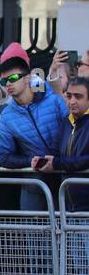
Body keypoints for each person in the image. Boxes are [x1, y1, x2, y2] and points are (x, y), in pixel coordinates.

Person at [0, 42, 68, 211]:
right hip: (34, 185)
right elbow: (3, 155)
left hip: (65, 180)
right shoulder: (6, 116)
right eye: (4, 81)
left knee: (67, 233)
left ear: (27, 78)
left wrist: (56, 159)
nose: (8, 84)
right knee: (33, 235)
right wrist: (30, 161)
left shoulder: (53, 99)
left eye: (13, 78)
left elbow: (71, 131)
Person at [44, 76, 89, 211]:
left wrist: (57, 163)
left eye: (78, 96)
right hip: (69, 204)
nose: (72, 101)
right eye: (69, 96)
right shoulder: (66, 122)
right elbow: (55, 150)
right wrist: (43, 160)